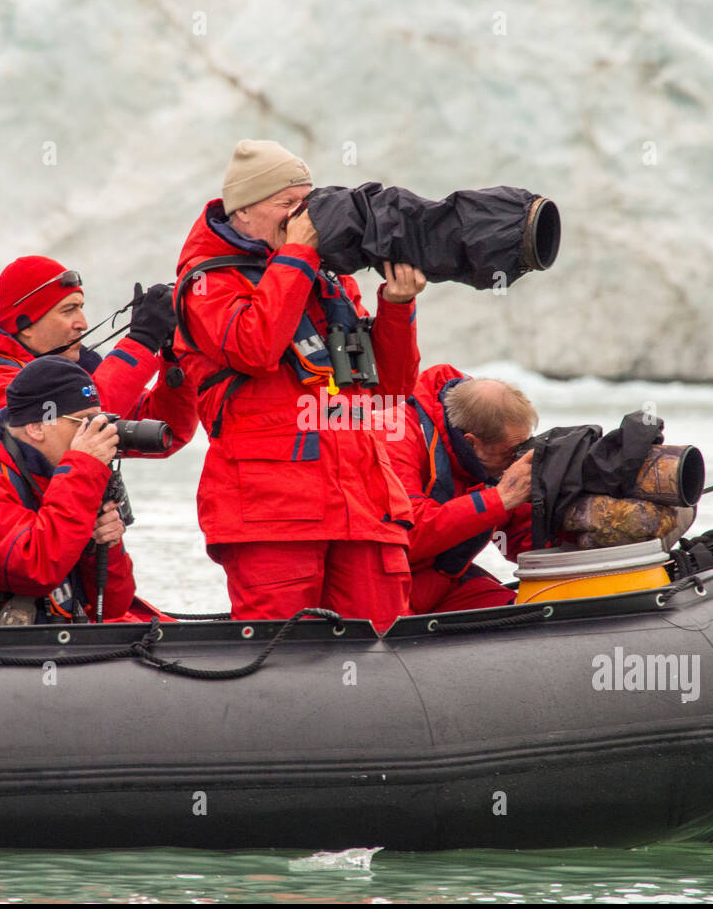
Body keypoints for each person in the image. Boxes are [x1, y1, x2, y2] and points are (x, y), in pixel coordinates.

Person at [173, 139, 427, 631]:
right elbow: (255, 347)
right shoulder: (207, 283)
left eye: (306, 204)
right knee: (281, 663)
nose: (301, 217)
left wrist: (396, 306)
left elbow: (388, 390)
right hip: (274, 516)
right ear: (243, 211)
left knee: (383, 657)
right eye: (287, 205)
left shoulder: (329, 280)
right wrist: (297, 255)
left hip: (364, 509)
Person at [0, 357, 157, 625]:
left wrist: (100, 547)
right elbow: (38, 569)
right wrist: (83, 469)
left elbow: (112, 606)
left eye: (98, 421)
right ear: (36, 427)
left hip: (47, 643)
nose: (95, 433)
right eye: (82, 423)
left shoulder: (59, 479)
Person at [0, 255, 196, 452]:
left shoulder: (80, 374)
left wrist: (174, 358)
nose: (83, 323)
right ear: (26, 325)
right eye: (69, 310)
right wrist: (141, 342)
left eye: (81, 308)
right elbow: (72, 427)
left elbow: (164, 431)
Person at [387, 365, 541, 614]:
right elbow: (405, 536)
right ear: (471, 442)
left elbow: (518, 534)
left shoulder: (480, 437)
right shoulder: (396, 436)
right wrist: (498, 499)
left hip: (445, 578)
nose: (514, 461)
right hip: (394, 584)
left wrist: (579, 533)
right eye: (509, 453)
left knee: (528, 615)